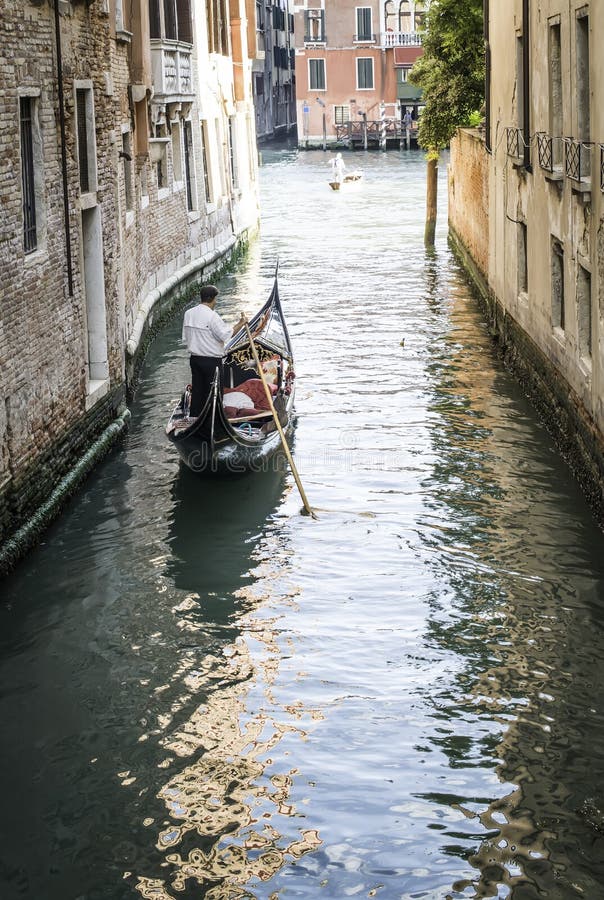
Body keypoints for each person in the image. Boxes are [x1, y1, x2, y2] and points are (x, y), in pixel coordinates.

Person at [182, 285, 246, 417]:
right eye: (216, 299)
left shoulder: (188, 314)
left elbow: (185, 338)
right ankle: (214, 418)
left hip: (195, 360)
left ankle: (195, 417)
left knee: (198, 391)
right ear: (213, 298)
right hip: (211, 362)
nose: (216, 302)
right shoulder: (212, 316)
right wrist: (241, 323)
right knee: (214, 393)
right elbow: (226, 335)